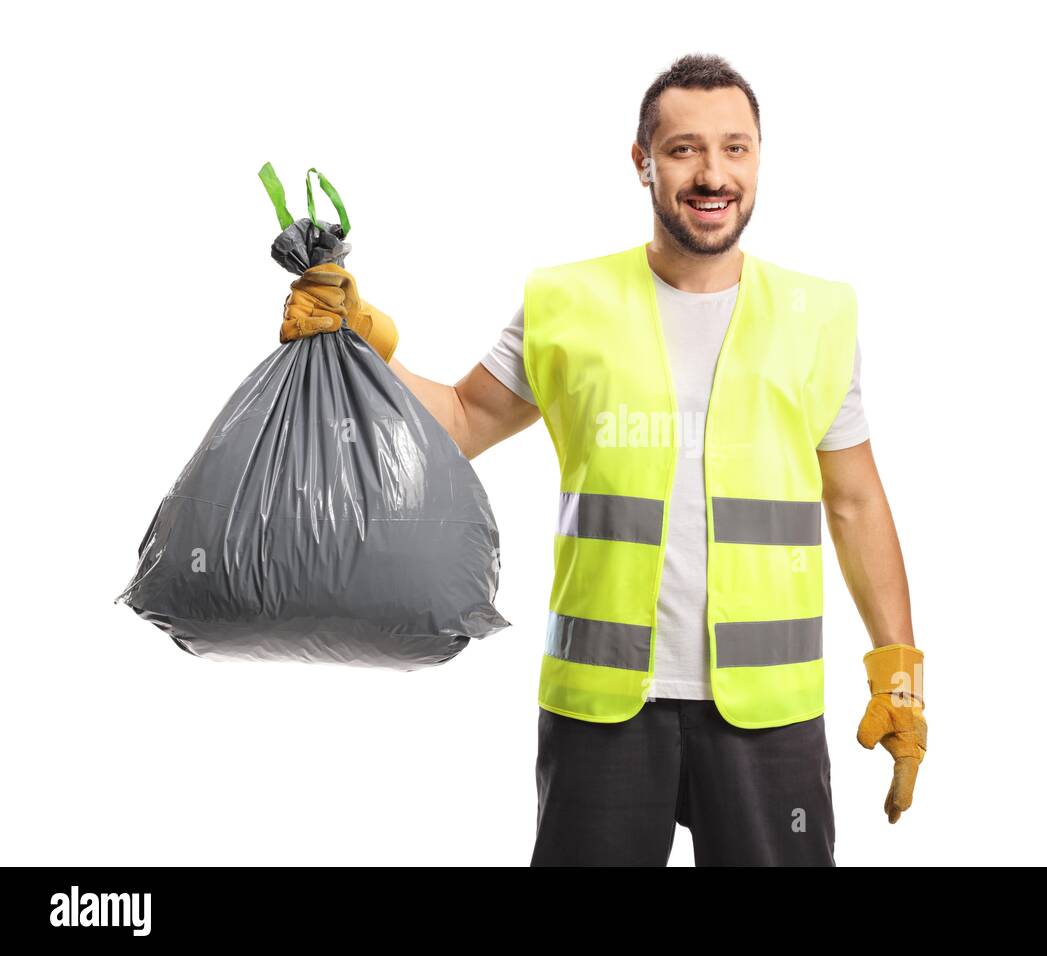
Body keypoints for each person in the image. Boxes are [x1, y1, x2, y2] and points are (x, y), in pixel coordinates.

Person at [280, 53, 928, 867]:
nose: (712, 172)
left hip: (771, 716)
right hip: (603, 714)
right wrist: (358, 336)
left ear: (759, 158)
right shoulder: (567, 303)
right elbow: (462, 418)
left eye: (736, 148)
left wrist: (898, 674)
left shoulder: (820, 316)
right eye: (685, 148)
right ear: (643, 162)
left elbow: (857, 501)